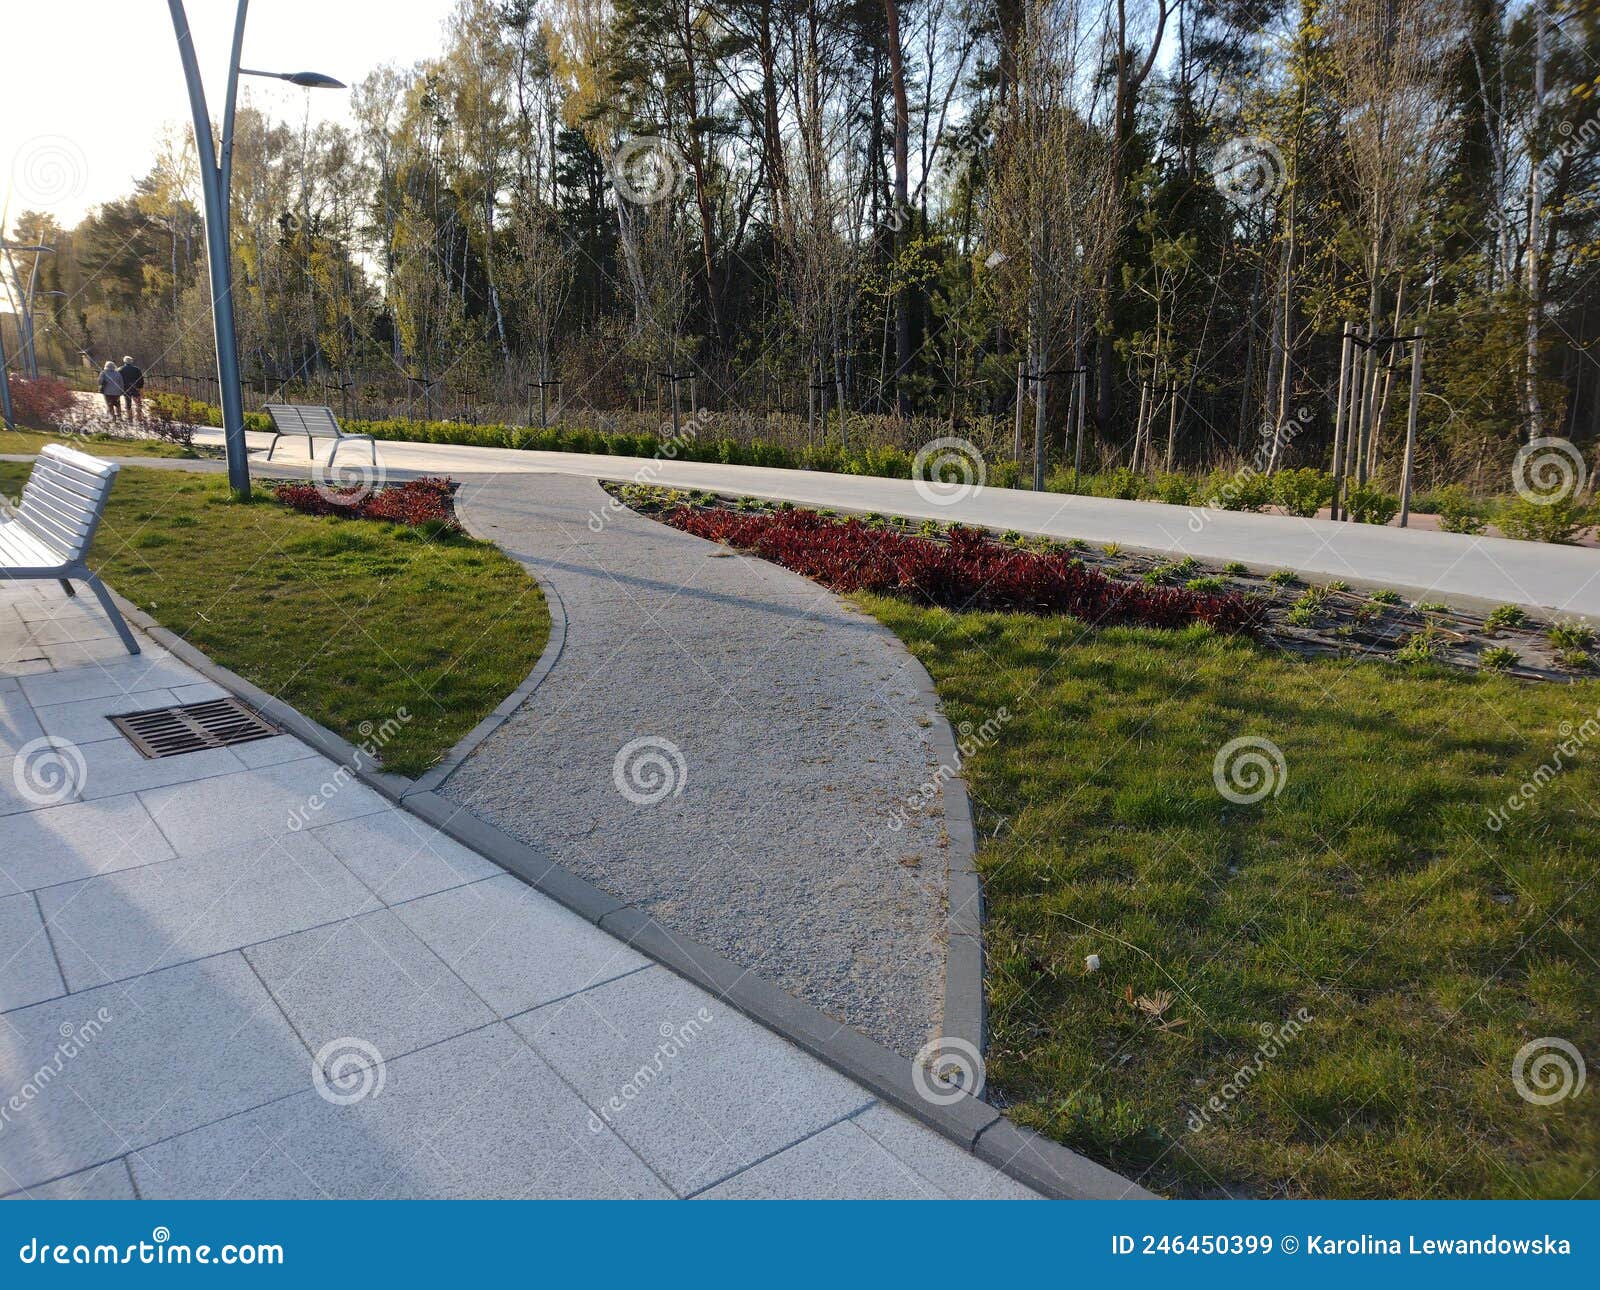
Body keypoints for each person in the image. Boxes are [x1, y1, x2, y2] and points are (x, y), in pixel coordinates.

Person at [119, 355, 145, 422]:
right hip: (135, 388)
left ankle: (130, 418)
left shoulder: (120, 369)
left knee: (128, 403)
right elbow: (141, 380)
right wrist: (140, 387)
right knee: (138, 403)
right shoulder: (137, 369)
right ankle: (139, 417)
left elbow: (118, 380)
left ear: (124, 361)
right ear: (131, 361)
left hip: (125, 389)